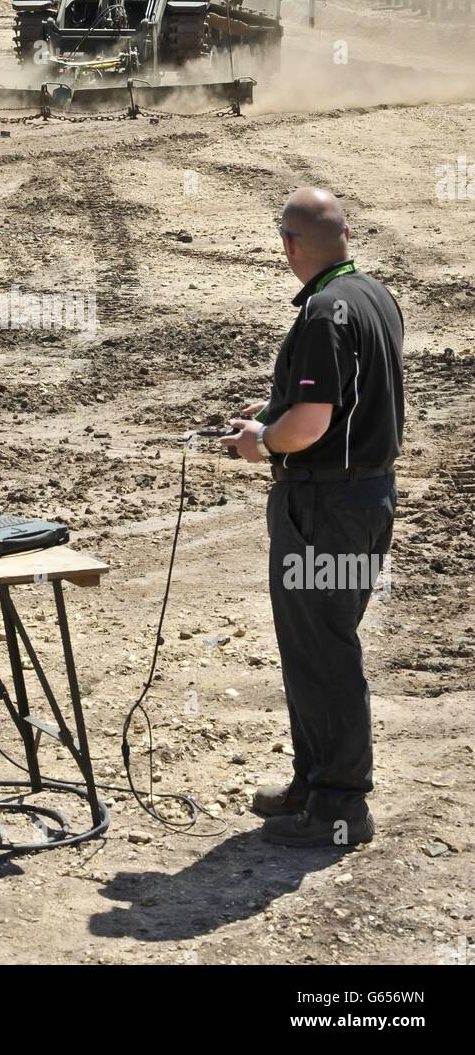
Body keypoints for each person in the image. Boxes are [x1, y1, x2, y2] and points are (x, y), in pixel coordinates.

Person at [223, 187, 403, 847]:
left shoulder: (325, 313)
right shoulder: (372, 296)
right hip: (362, 498)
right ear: (345, 234)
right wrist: (270, 422)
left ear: (290, 244)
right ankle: (314, 781)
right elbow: (341, 407)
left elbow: (310, 422)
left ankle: (339, 808)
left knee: (322, 653)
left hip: (325, 506)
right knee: (315, 648)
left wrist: (261, 441)